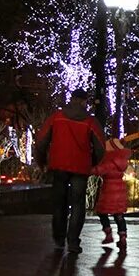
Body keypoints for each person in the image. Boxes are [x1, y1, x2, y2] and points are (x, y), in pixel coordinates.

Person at [35, 89, 106, 254]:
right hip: (80, 168)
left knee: (59, 202)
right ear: (84, 102)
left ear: (72, 99)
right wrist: (92, 162)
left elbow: (41, 141)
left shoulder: (57, 117)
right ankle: (73, 241)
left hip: (58, 165)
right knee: (77, 204)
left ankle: (59, 237)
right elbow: (101, 147)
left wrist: (42, 162)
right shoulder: (90, 121)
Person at [91, 137, 133, 251]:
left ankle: (108, 233)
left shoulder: (109, 163)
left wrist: (90, 169)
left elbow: (98, 170)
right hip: (120, 190)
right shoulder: (122, 162)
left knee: (101, 212)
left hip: (109, 190)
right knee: (119, 215)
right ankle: (123, 236)